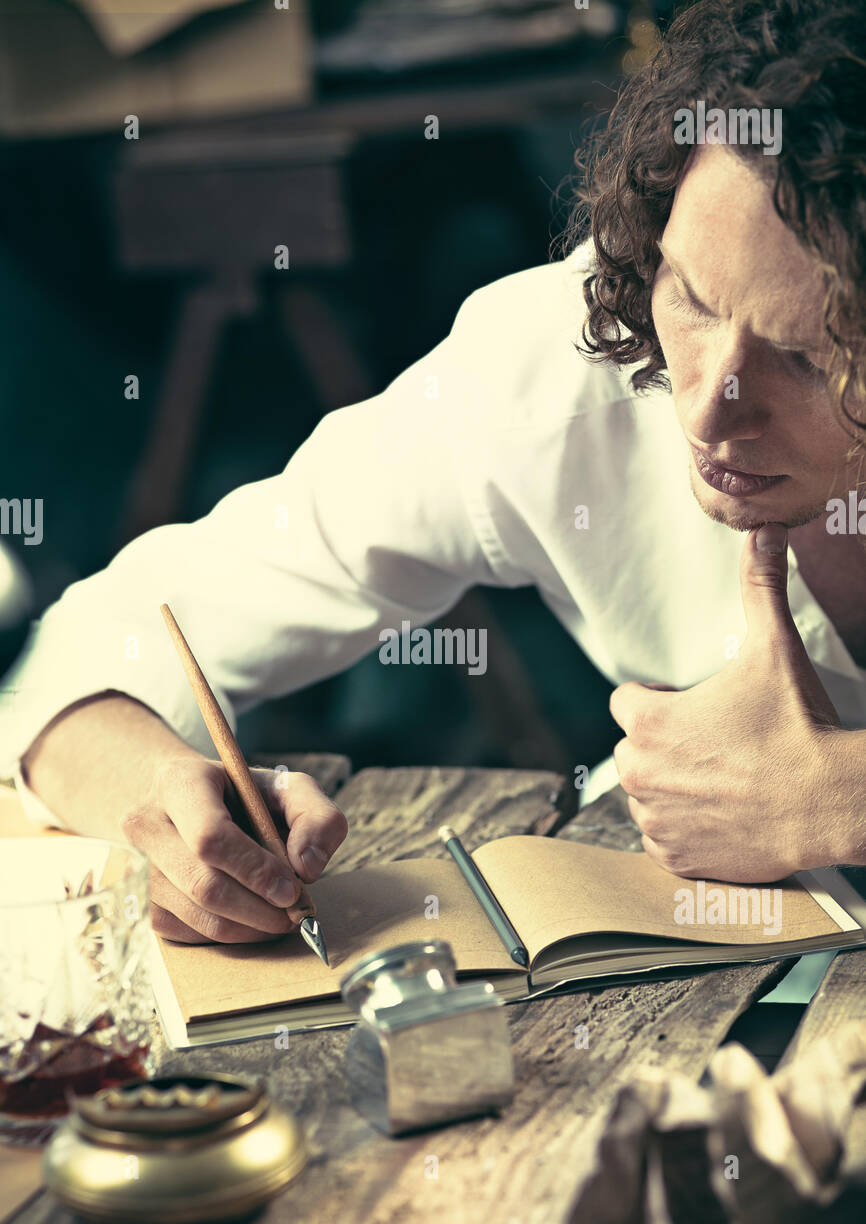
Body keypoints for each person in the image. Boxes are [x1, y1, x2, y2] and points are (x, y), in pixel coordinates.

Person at [3, 0, 865, 946]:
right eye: (692, 296)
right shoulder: (551, 376)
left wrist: (839, 800)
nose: (706, 409)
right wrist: (161, 803)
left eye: (805, 360)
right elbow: (97, 641)